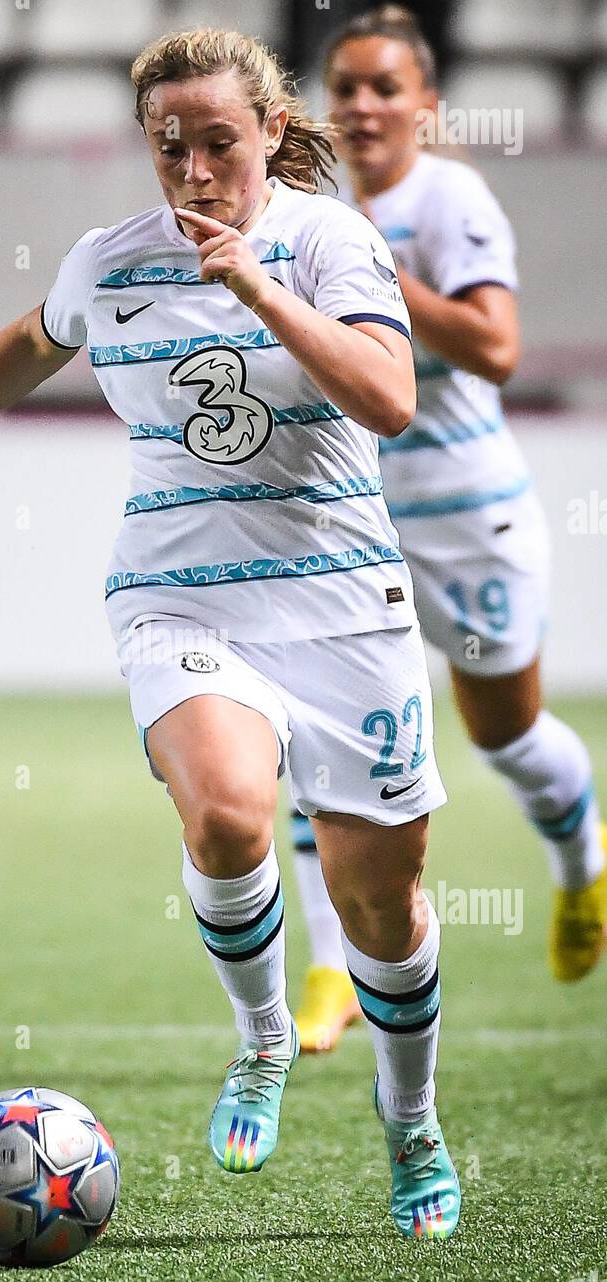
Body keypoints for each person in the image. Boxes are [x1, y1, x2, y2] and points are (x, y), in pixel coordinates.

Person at [0, 27, 460, 1239]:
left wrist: (255, 286)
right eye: (168, 145)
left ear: (272, 133)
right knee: (228, 811)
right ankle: (264, 1040)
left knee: (378, 901)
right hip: (179, 596)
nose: (190, 169)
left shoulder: (329, 241)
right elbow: (33, 340)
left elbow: (387, 399)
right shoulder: (109, 262)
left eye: (217, 143)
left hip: (344, 605)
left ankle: (413, 1124)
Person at [291, 5, 606, 1055]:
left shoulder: (449, 198)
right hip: (357, 519)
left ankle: (579, 864)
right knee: (313, 737)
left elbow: (497, 345)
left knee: (505, 736)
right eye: (346, 90)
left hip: (469, 517)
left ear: (425, 105)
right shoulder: (312, 205)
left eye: (386, 88)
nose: (364, 106)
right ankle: (330, 965)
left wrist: (385, 272)